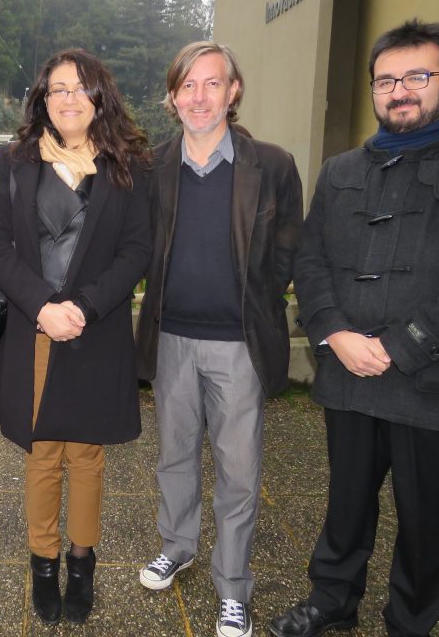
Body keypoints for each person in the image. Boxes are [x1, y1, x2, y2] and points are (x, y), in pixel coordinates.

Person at [268, 19, 439, 637]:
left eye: (417, 76)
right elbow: (310, 262)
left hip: (438, 384)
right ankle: (333, 599)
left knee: (427, 519)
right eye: (386, 80)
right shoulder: (340, 172)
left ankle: (411, 621)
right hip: (351, 375)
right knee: (345, 505)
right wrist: (333, 334)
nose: (400, 90)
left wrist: (397, 346)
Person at [133, 41, 303, 637]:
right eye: (187, 86)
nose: (198, 97)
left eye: (212, 84)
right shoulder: (153, 167)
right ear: (172, 96)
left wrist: (255, 304)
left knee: (238, 471)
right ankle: (177, 545)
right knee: (174, 458)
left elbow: (286, 249)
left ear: (234, 91)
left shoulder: (272, 164)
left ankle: (233, 587)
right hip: (172, 338)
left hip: (239, 346)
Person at [0, 48, 152, 625]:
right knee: (42, 453)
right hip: (36, 332)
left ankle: (83, 563)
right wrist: (43, 307)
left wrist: (84, 305)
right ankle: (44, 565)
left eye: (81, 88)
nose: (69, 98)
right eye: (57, 88)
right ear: (43, 100)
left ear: (100, 97)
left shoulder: (126, 164)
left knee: (86, 455)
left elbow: (136, 251)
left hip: (94, 329)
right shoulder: (16, 161)